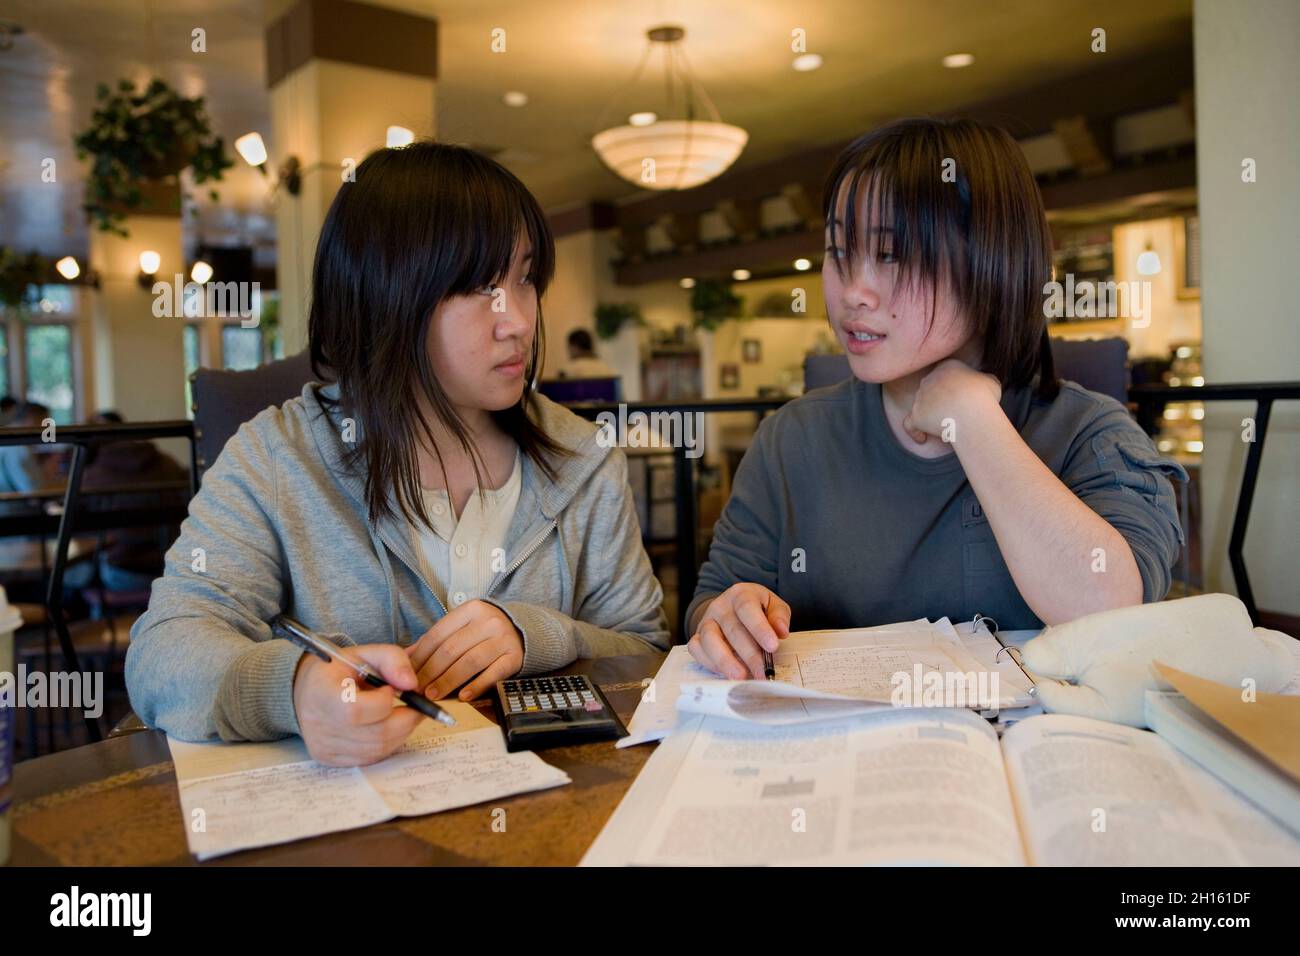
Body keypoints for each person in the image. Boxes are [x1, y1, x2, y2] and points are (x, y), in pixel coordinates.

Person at [127, 142, 668, 761]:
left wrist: (541, 636)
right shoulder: (278, 458)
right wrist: (294, 690)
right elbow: (164, 650)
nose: (518, 320)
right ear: (384, 296)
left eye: (524, 279)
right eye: (481, 287)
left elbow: (645, 650)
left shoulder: (582, 456)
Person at [686, 117, 1186, 682]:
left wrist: (974, 421)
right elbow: (713, 600)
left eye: (894, 254)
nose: (853, 291)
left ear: (992, 263)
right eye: (838, 251)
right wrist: (729, 615)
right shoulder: (791, 438)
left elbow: (1111, 615)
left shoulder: (1089, 435)